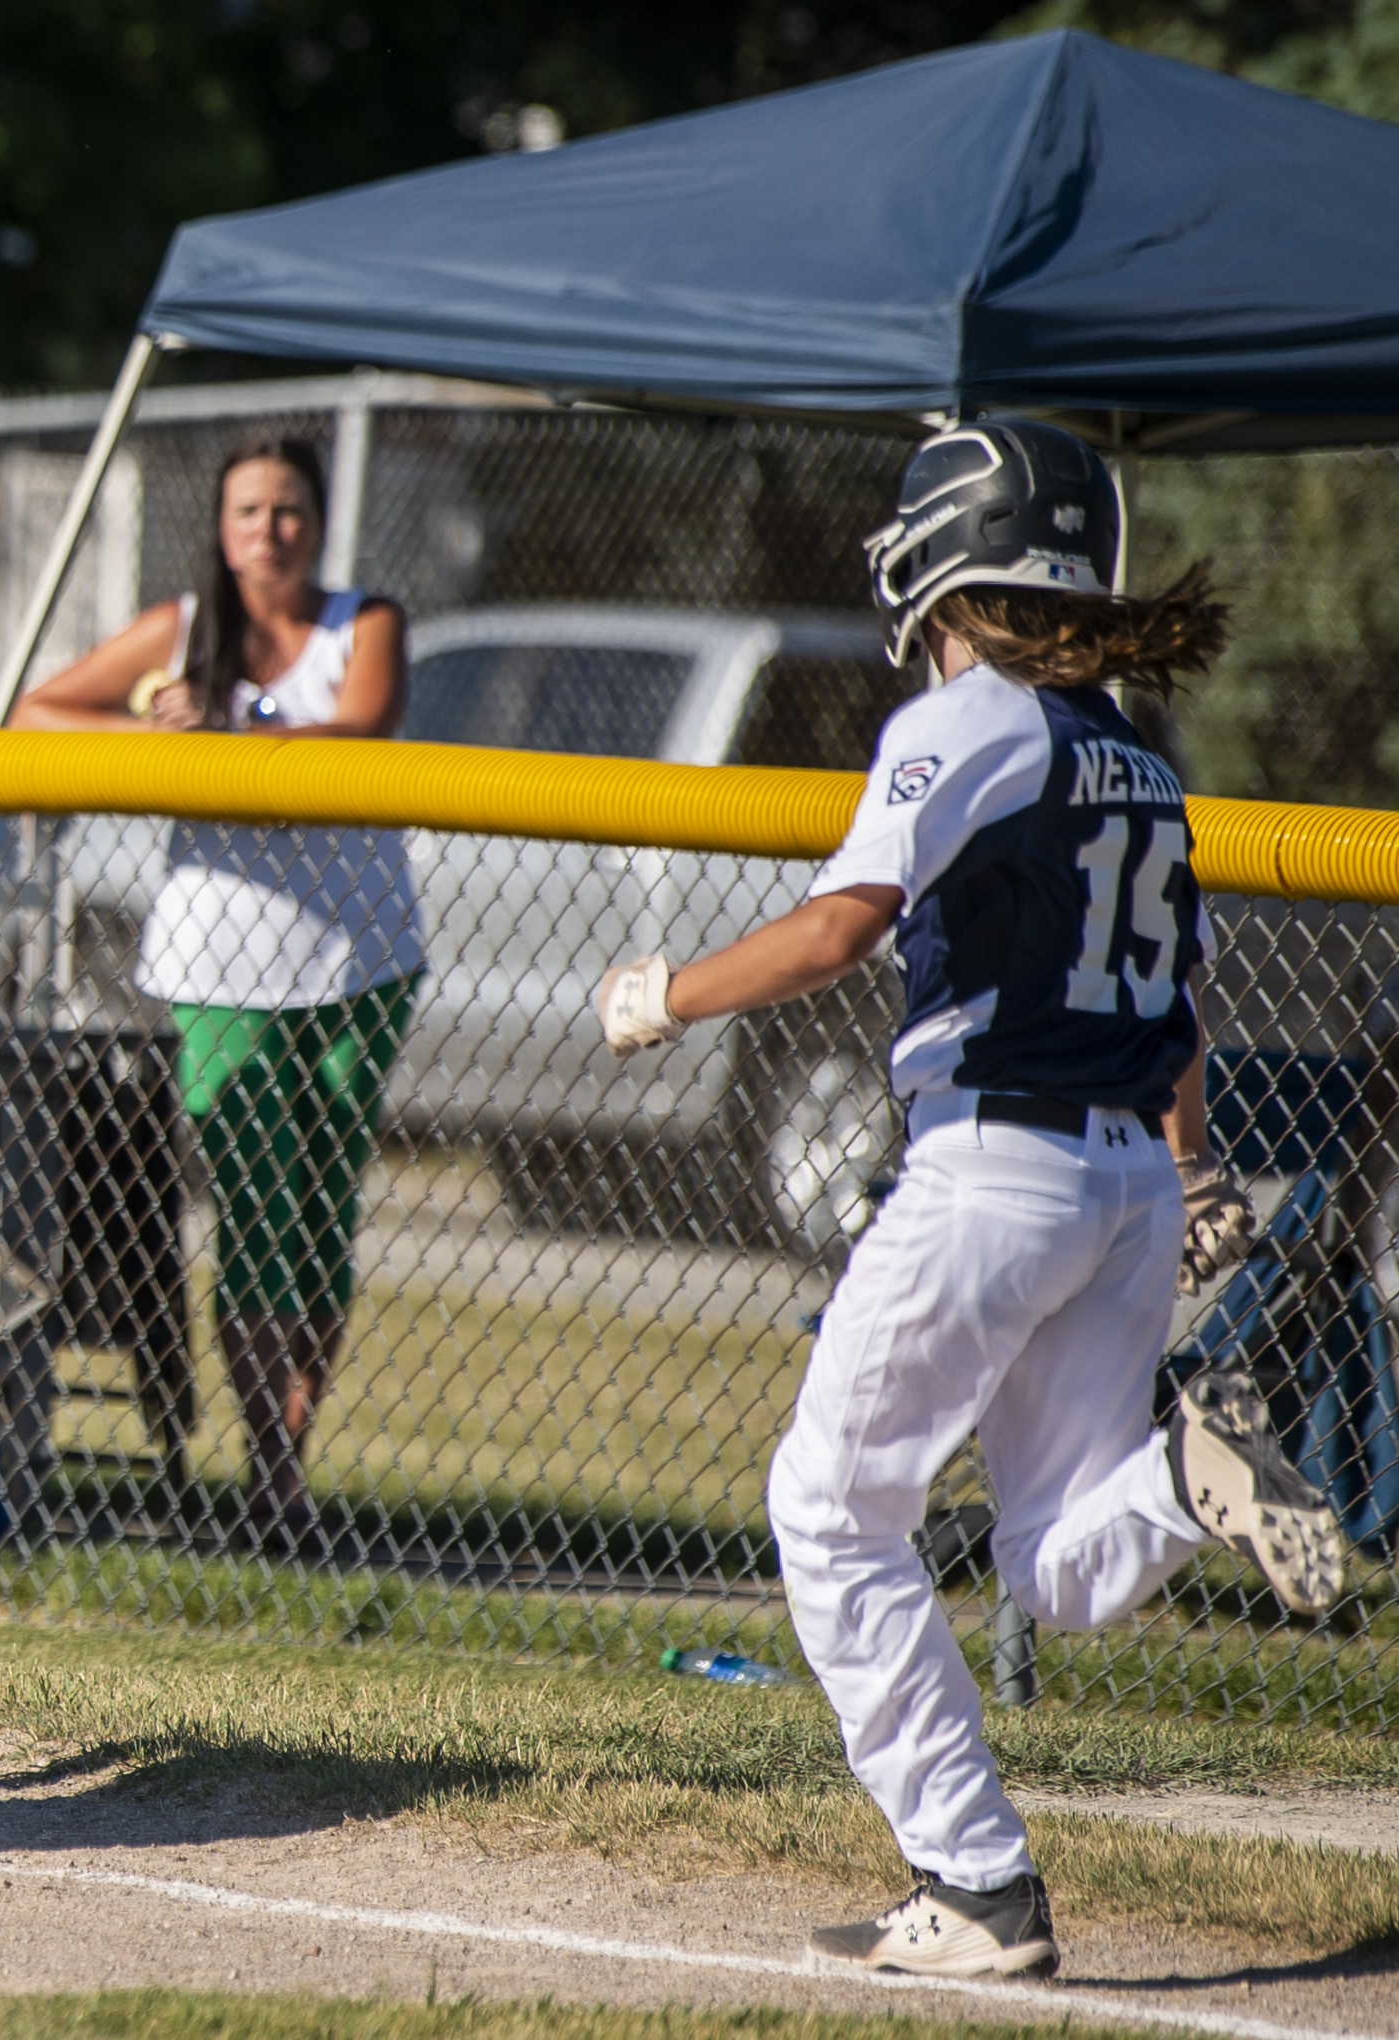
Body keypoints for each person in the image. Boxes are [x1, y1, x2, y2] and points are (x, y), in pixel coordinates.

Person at [594, 420, 1347, 1979]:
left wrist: (664, 996)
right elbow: (1180, 1006)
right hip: (1130, 1178)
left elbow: (834, 927)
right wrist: (1197, 1163)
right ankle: (1191, 1472)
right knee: (1060, 1560)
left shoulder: (978, 715)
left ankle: (978, 1884)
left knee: (827, 1508)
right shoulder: (1137, 749)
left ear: (948, 559)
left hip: (994, 1164)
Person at [10, 436, 426, 1552]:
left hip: (354, 953)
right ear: (221, 524)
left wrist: (232, 735)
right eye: (248, 510)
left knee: (322, 1201)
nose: (269, 530)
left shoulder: (361, 620)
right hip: (219, 960)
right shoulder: (182, 632)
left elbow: (363, 726)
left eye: (288, 509)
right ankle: (272, 1470)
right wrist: (160, 736)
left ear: (315, 520)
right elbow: (37, 714)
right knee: (253, 1203)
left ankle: (289, 1450)